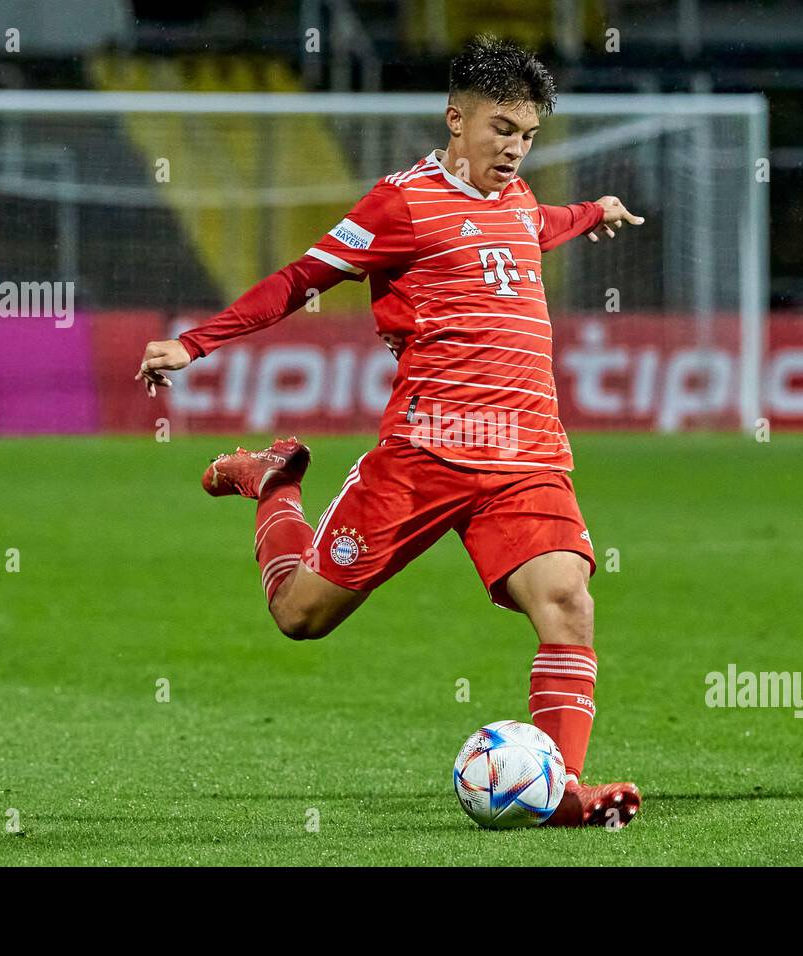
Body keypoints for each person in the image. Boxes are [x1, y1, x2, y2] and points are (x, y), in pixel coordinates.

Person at [136, 35, 646, 828]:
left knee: (568, 604)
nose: (514, 149)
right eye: (501, 130)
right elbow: (301, 278)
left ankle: (561, 789)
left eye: (528, 135)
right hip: (422, 456)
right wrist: (193, 344)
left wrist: (596, 212)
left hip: (525, 458)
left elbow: (541, 222)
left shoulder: (514, 198)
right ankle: (272, 487)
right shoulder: (400, 205)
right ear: (456, 119)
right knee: (300, 617)